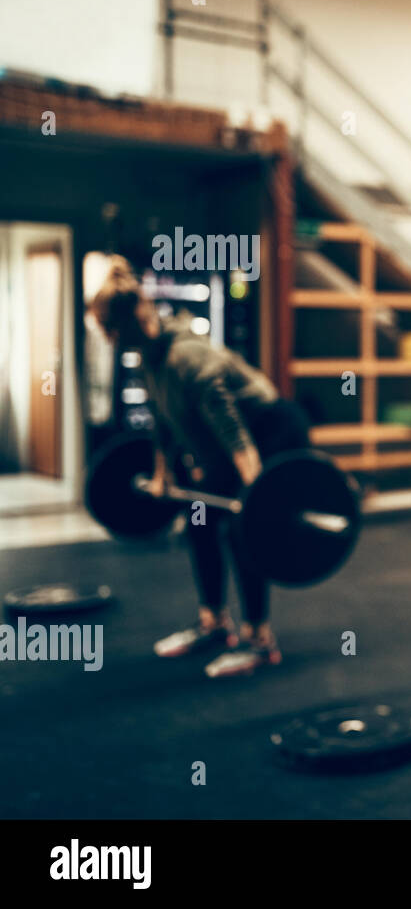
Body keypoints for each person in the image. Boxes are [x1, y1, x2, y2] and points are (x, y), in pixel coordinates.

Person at [89, 256, 312, 677]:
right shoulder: (150, 357)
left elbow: (232, 427)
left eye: (107, 328)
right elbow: (163, 420)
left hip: (269, 430)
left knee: (242, 530)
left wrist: (256, 492)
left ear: (127, 324)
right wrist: (161, 475)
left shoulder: (187, 357)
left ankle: (259, 640)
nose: (104, 336)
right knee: (199, 520)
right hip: (226, 443)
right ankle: (214, 623)